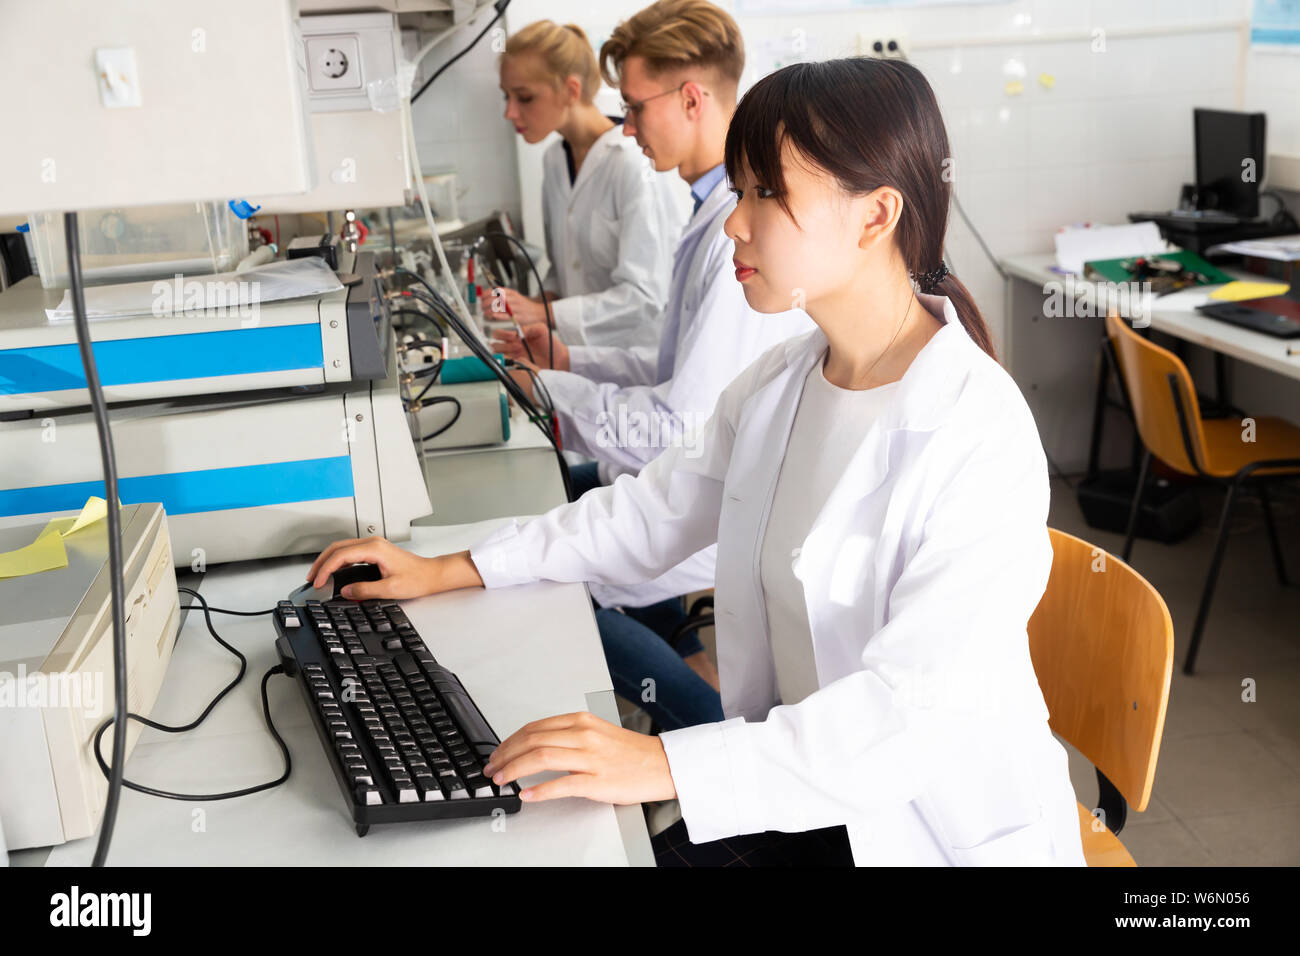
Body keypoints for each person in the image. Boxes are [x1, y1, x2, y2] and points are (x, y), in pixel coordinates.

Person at [308, 56, 1087, 866]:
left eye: (766, 193)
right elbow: (652, 511)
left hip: (918, 829)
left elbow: (906, 720)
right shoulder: (785, 381)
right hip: (795, 794)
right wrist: (455, 568)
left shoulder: (976, 431)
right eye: (739, 191)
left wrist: (663, 763)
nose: (734, 224)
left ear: (874, 216)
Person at [491, 0, 813, 726]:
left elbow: (675, 424)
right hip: (699, 472)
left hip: (726, 502)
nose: (627, 127)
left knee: (557, 590)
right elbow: (674, 364)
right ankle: (687, 693)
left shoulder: (737, 230)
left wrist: (554, 395)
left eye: (635, 108)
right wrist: (568, 360)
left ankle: (701, 741)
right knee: (547, 523)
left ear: (692, 98)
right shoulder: (711, 209)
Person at [494, 20, 683, 350]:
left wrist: (544, 313)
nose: (510, 112)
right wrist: (525, 309)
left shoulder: (633, 162)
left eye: (524, 97)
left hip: (638, 360)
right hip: (578, 356)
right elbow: (565, 272)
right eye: (506, 96)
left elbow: (645, 296)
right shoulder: (555, 160)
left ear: (571, 90)